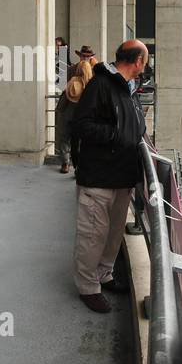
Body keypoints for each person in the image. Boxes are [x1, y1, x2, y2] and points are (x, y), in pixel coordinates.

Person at [69, 40, 151, 314]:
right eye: (146, 60)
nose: (146, 65)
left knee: (113, 233)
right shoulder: (101, 85)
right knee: (92, 234)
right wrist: (117, 136)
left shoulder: (129, 88)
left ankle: (104, 275)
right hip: (99, 176)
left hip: (122, 176)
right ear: (138, 60)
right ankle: (88, 287)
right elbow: (81, 125)